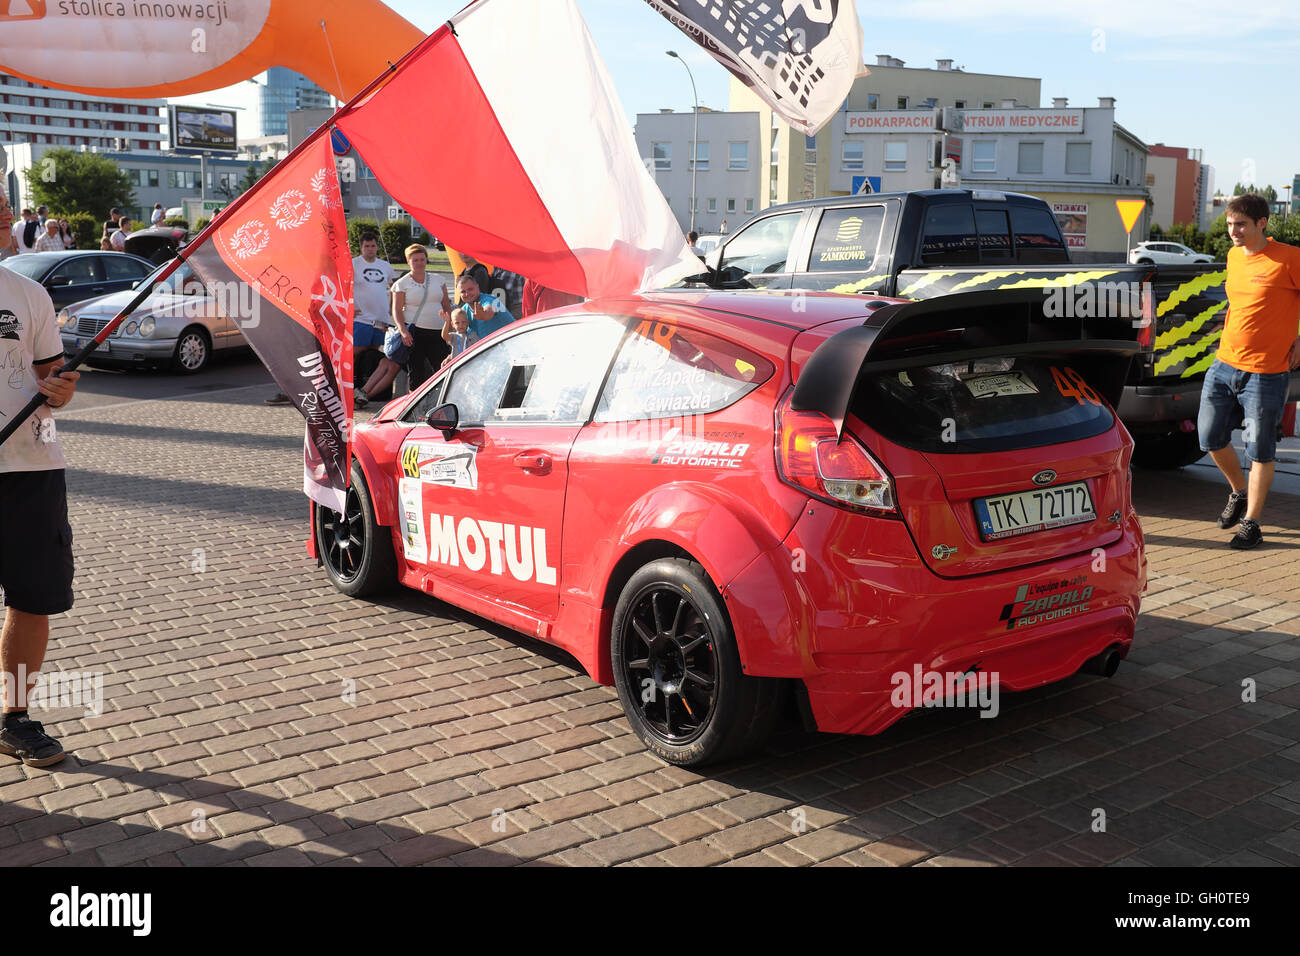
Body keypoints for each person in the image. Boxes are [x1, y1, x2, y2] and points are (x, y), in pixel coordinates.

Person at [0, 194, 81, 769]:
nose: (6, 216)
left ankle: (15, 719)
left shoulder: (29, 293)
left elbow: (48, 374)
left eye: (5, 209)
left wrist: (62, 388)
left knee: (33, 599)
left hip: (32, 467)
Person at [1197, 192, 1300, 550]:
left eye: (1240, 224)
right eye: (1229, 224)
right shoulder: (1232, 256)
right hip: (1224, 363)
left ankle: (1252, 523)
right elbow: (1239, 303)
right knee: (1209, 437)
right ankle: (1238, 491)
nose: (1233, 231)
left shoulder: (1289, 258)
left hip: (1267, 372)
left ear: (1262, 223)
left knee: (1260, 449)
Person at [391, 243, 452, 389]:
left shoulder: (438, 279)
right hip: (414, 332)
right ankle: (414, 407)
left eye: (422, 259)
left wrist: (449, 323)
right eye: (415, 260)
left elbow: (446, 304)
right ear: (408, 261)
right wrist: (403, 331)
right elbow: (397, 310)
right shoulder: (401, 283)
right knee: (416, 372)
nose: (419, 263)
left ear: (426, 260)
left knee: (444, 368)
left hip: (438, 331)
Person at [443, 274, 514, 342]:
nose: (467, 294)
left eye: (470, 289)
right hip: (493, 349)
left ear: (477, 287)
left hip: (512, 343)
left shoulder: (490, 299)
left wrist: (484, 315)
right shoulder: (464, 310)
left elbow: (489, 309)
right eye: (463, 292)